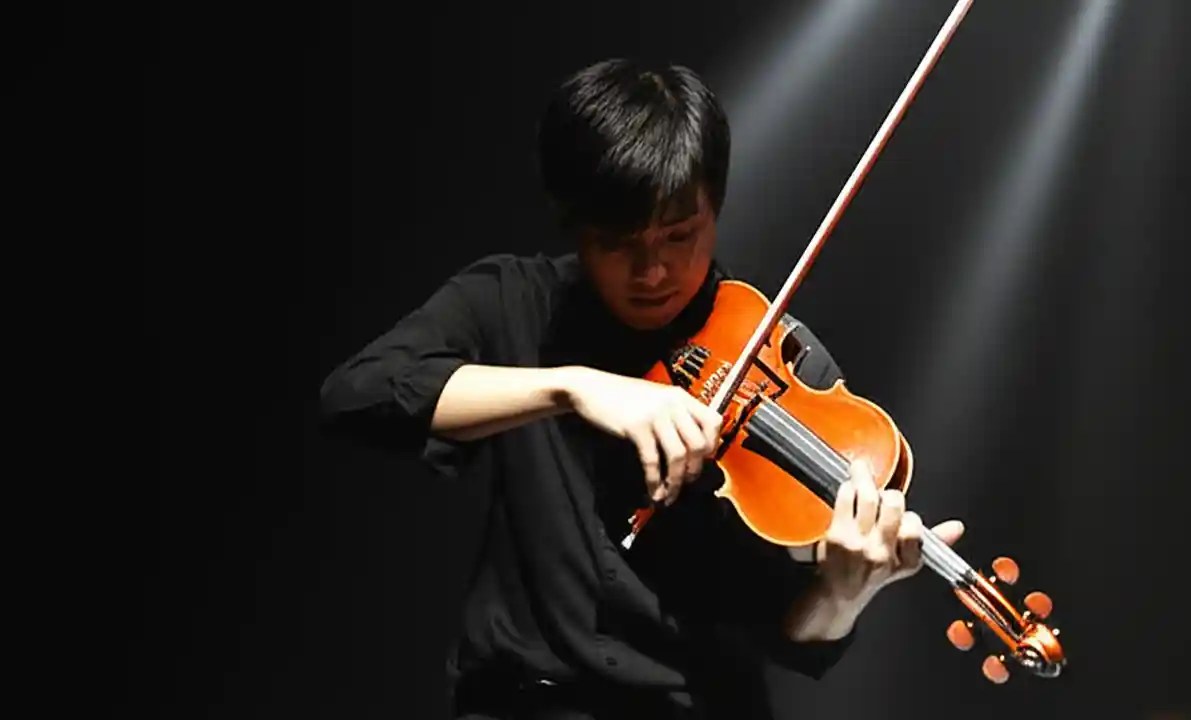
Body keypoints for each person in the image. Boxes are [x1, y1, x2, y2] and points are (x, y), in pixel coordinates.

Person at [318, 58, 964, 720]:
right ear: (573, 223)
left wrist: (843, 590)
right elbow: (358, 393)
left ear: (716, 206)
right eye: (616, 242)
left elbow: (794, 638)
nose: (654, 269)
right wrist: (572, 387)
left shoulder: (778, 357)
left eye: (681, 235)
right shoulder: (513, 302)